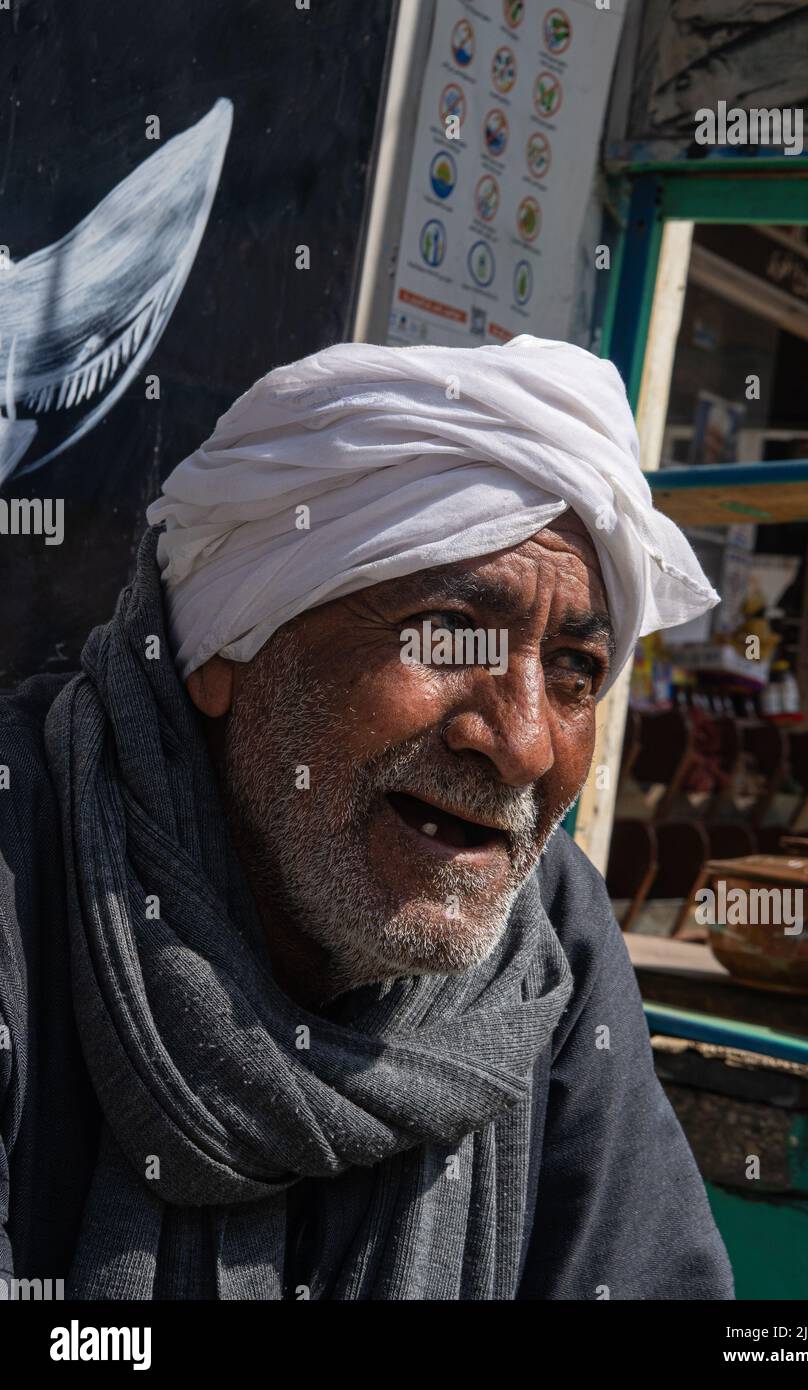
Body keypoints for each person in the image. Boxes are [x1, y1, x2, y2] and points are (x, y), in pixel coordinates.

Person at [0, 335, 733, 1300]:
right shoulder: (24, 861)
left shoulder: (546, 934)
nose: (521, 744)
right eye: (448, 635)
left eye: (574, 674)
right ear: (223, 644)